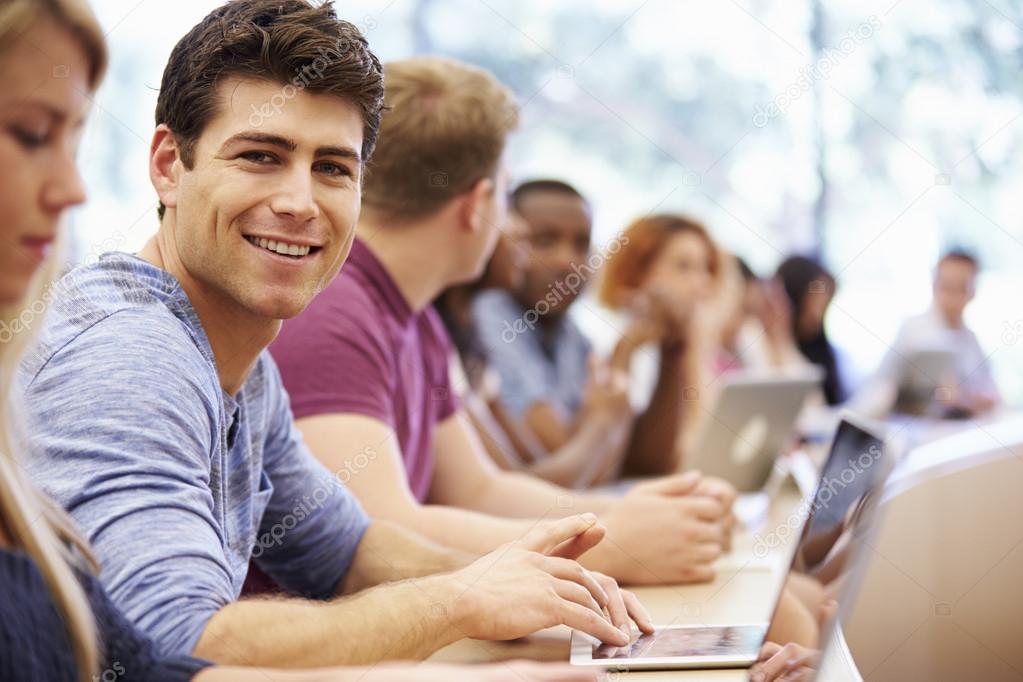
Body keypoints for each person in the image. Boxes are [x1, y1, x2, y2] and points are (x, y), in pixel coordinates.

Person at [20, 0, 648, 669]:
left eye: (332, 168)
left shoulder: (241, 361)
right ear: (170, 165)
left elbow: (346, 552)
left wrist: (521, 581)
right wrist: (461, 599)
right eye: (261, 156)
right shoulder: (131, 352)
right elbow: (179, 645)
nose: (299, 202)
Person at [270, 58, 739, 589]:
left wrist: (628, 514)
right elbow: (378, 532)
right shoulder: (332, 311)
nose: (512, 225)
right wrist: (615, 544)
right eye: (505, 193)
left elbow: (480, 489)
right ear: (476, 205)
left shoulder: (412, 315)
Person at [851, 249, 1000, 418]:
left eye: (961, 288)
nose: (953, 297)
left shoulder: (970, 338)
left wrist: (973, 398)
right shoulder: (914, 331)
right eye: (947, 287)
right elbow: (882, 391)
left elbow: (991, 394)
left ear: (973, 291)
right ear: (934, 285)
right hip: (914, 428)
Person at [776, 255, 846, 405]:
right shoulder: (775, 345)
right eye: (814, 303)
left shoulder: (823, 350)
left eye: (824, 305)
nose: (817, 314)